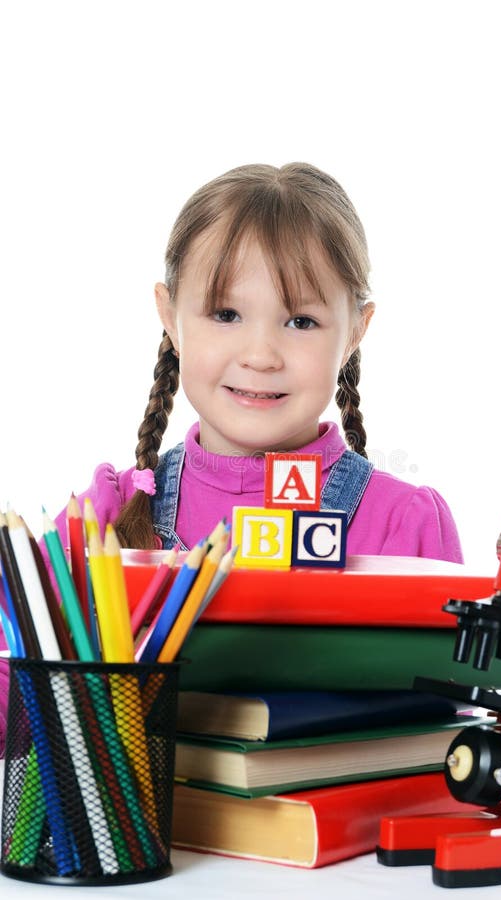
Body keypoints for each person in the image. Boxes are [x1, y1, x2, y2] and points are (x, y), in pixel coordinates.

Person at [0, 163, 462, 754]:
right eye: (225, 314)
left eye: (301, 321)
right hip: (143, 839)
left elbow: (444, 725)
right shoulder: (108, 517)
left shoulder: (404, 525)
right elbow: (21, 703)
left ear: (354, 331)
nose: (261, 354)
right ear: (170, 317)